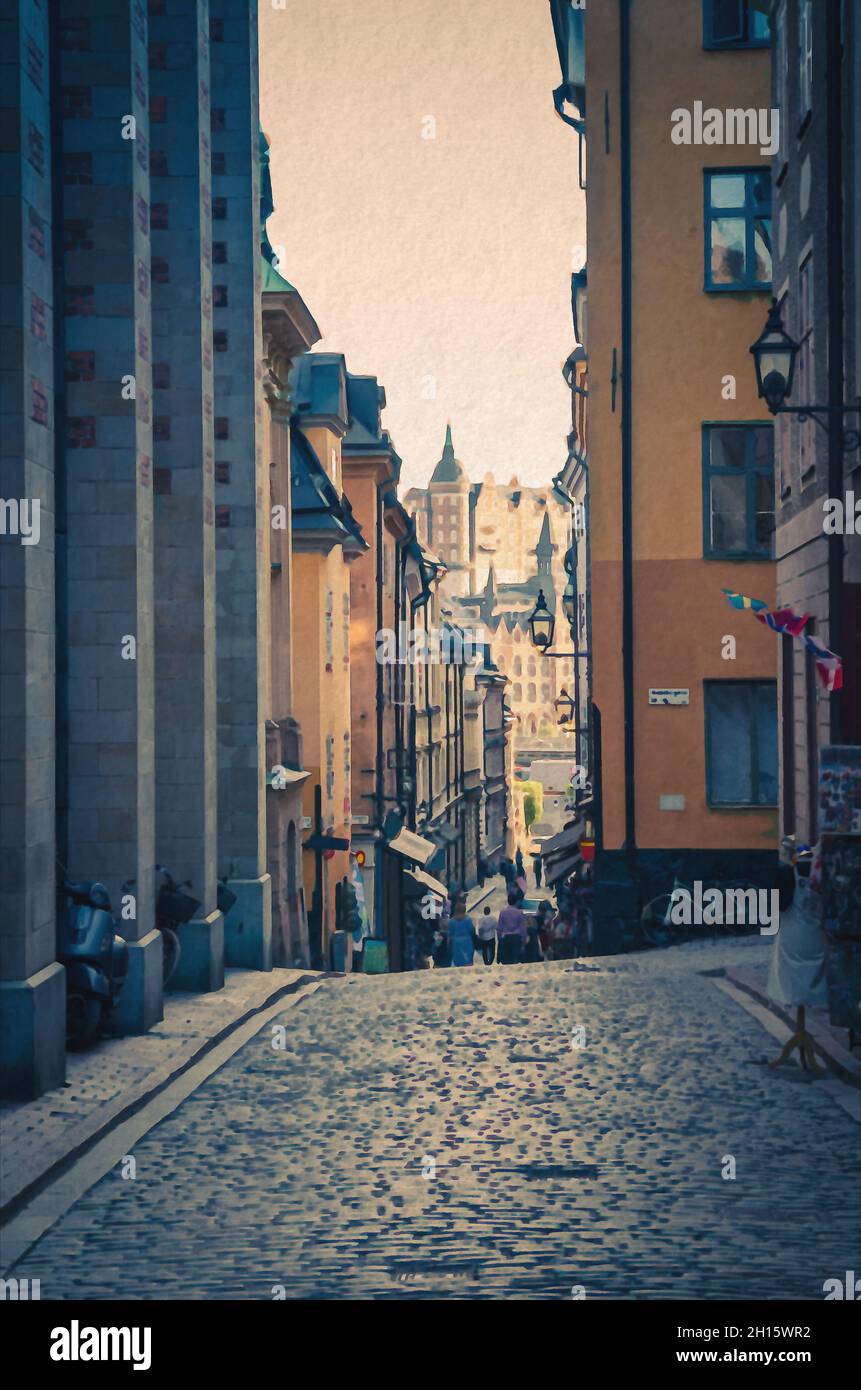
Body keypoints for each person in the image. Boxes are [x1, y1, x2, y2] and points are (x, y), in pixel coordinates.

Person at [497, 890, 528, 964]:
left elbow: (499, 928)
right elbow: (523, 929)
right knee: (515, 960)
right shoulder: (520, 913)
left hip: (506, 938)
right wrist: (524, 941)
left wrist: (499, 939)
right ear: (516, 901)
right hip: (516, 938)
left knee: (506, 961)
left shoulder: (503, 912)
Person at [446, 893, 476, 968]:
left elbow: (449, 934)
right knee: (468, 962)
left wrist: (448, 945)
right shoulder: (468, 920)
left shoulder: (451, 921)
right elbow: (472, 931)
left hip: (456, 943)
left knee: (458, 962)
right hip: (467, 941)